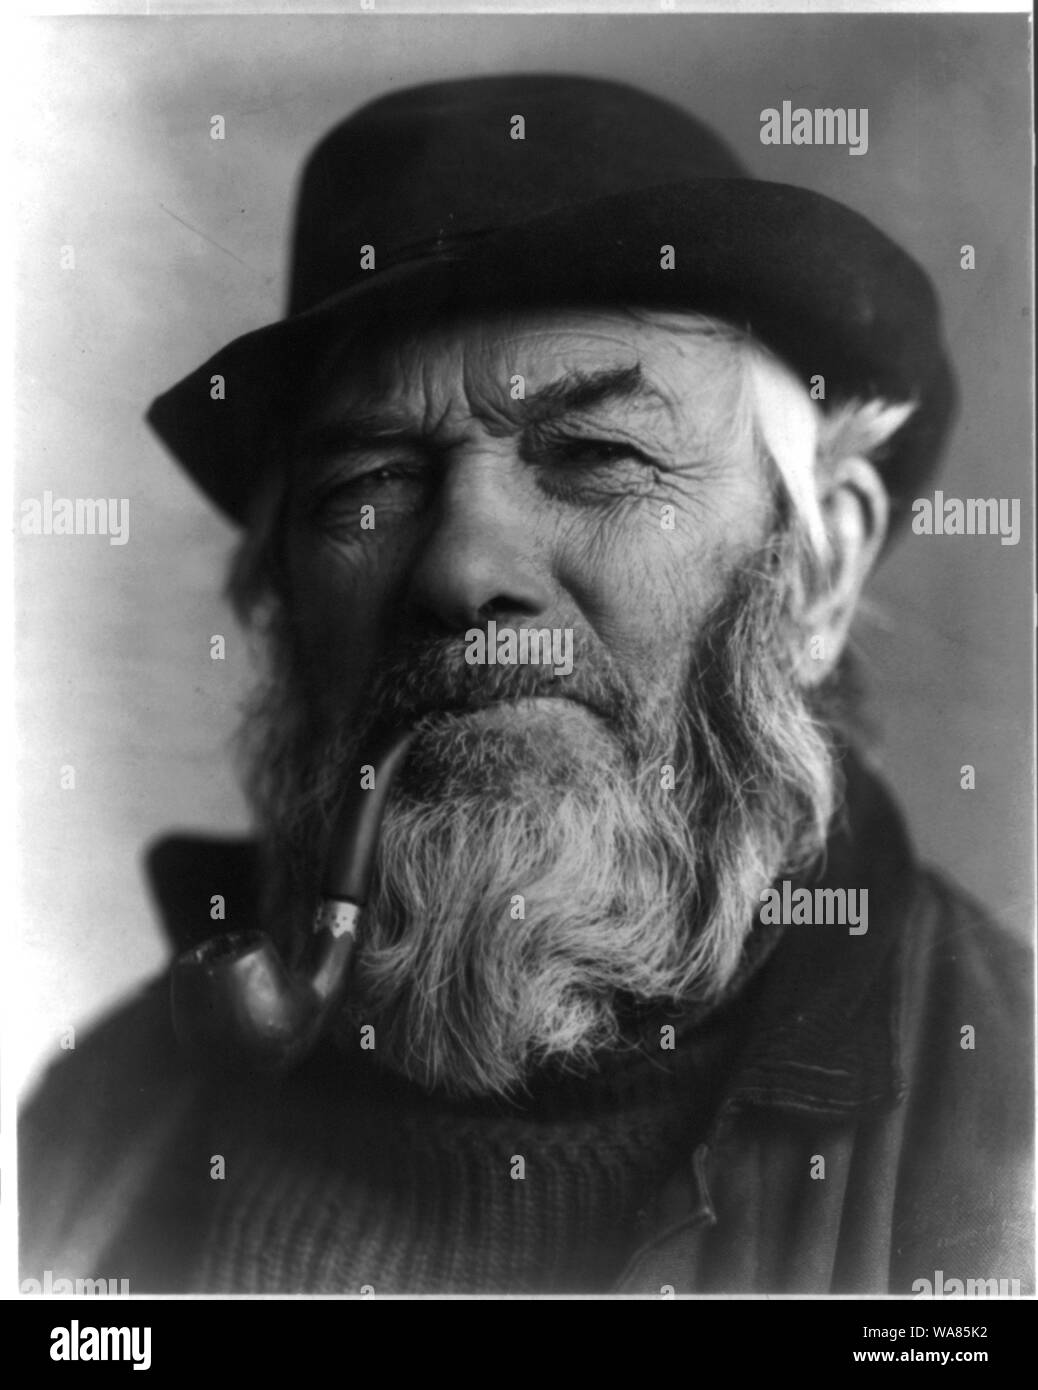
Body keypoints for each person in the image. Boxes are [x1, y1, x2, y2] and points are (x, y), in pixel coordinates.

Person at [20, 74, 1032, 1296]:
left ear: (819, 565)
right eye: (368, 489)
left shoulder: (1010, 1137)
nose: (461, 568)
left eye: (599, 456)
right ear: (283, 593)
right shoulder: (87, 1144)